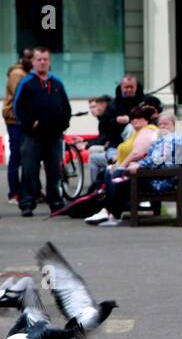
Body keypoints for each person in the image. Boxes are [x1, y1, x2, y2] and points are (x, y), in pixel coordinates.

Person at [91, 112, 182, 228]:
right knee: (116, 177)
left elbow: (157, 159)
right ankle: (110, 213)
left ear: (174, 125)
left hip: (160, 181)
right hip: (159, 177)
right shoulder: (169, 138)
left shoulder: (171, 139)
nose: (162, 126)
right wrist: (137, 164)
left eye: (166, 124)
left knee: (118, 181)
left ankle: (112, 215)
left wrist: (138, 166)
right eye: (160, 124)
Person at [14, 46, 72, 216]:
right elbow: (17, 108)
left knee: (54, 171)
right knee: (29, 170)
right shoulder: (26, 83)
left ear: (50, 62)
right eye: (39, 59)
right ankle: (27, 203)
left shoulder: (57, 82)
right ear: (33, 62)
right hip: (32, 136)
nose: (42, 62)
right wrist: (30, 123)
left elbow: (66, 107)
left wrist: (63, 125)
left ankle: (56, 203)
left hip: (54, 136)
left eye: (45, 59)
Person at [83, 106, 158, 224]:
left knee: (112, 174)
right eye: (132, 117)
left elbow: (137, 154)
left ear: (146, 119)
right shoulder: (136, 132)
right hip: (129, 168)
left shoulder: (148, 130)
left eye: (138, 117)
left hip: (138, 172)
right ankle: (104, 210)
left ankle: (111, 213)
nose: (134, 120)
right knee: (105, 174)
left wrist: (121, 166)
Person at [4, 48, 32, 202]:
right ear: (22, 58)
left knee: (28, 156)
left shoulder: (26, 73)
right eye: (28, 57)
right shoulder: (17, 74)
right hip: (15, 119)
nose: (31, 60)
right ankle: (14, 192)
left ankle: (29, 189)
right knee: (16, 155)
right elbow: (20, 97)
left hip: (23, 118)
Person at [105, 75, 161, 147]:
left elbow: (159, 113)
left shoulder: (149, 100)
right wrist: (116, 120)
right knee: (130, 129)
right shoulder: (113, 104)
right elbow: (104, 124)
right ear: (121, 87)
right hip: (120, 138)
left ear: (136, 86)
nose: (129, 90)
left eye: (131, 87)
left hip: (147, 131)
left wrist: (154, 115)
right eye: (126, 87)